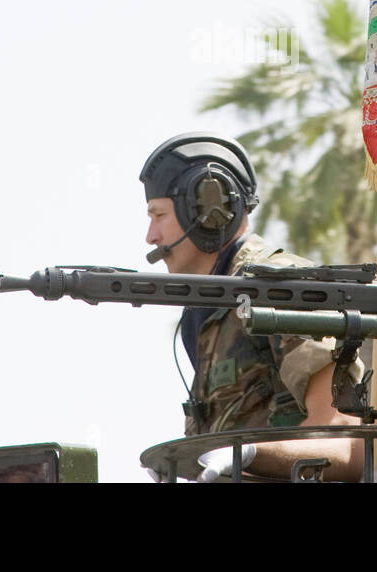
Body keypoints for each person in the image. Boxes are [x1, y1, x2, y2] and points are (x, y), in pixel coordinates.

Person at [141, 132, 364, 482]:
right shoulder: (203, 315)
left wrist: (251, 455)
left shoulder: (282, 289)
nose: (151, 236)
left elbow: (341, 436)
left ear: (207, 210)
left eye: (159, 215)